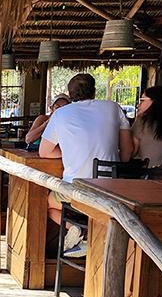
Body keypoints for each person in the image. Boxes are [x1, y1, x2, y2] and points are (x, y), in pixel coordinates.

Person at [40, 73, 133, 256]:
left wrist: (70, 151)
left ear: (69, 94)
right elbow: (127, 150)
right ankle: (91, 237)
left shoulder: (60, 114)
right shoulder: (113, 107)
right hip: (110, 190)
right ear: (94, 92)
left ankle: (80, 231)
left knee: (48, 204)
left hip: (77, 189)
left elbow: (44, 152)